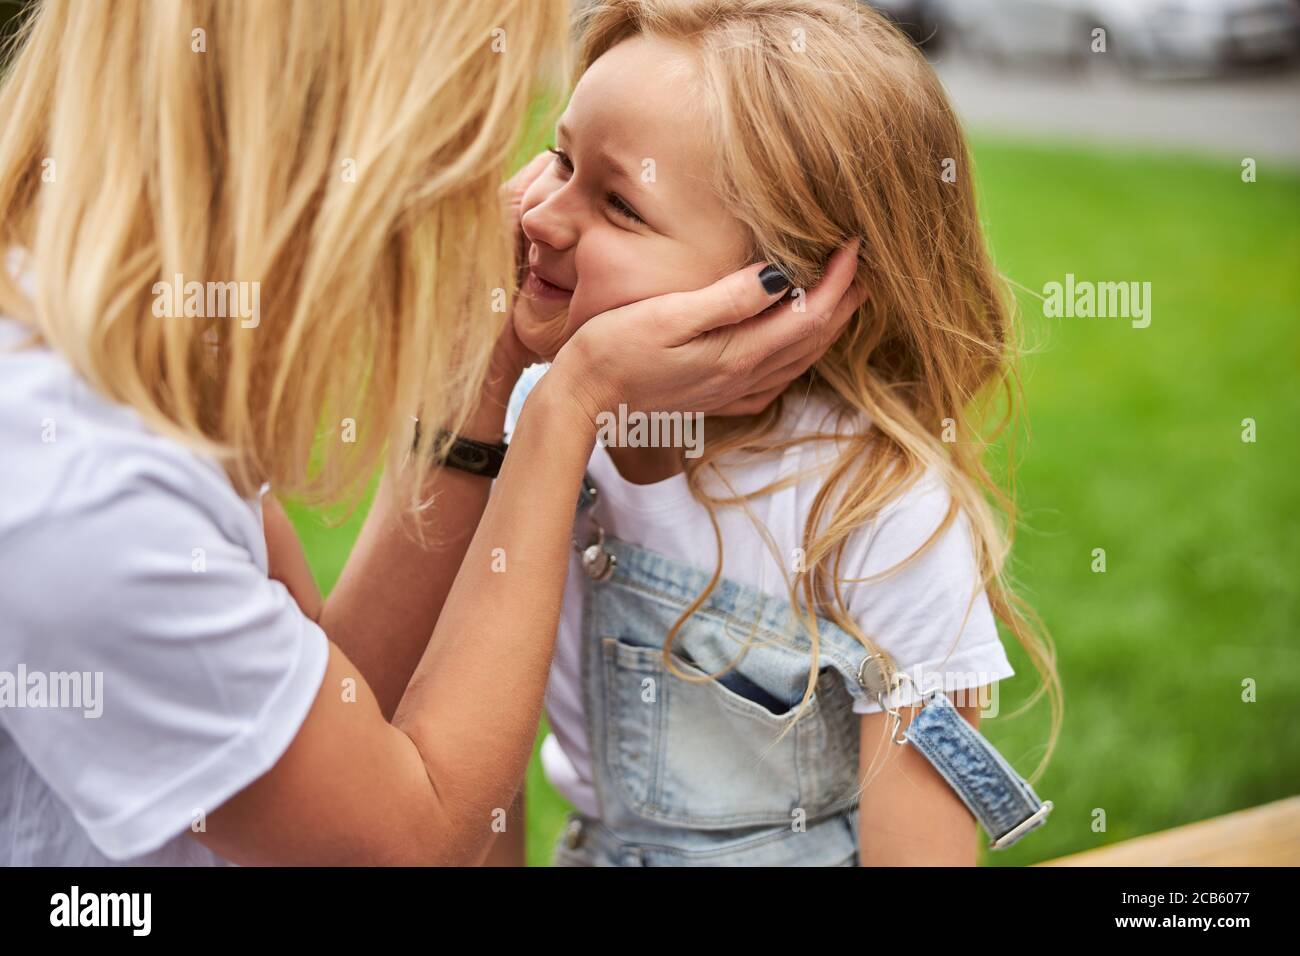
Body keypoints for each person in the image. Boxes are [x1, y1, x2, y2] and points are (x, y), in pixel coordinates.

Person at [0, 0, 862, 866]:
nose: (518, 202)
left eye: (621, 202)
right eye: (473, 126)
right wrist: (568, 406)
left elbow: (322, 718)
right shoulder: (80, 490)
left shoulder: (97, 354)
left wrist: (486, 366)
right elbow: (407, 836)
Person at [481, 0, 1063, 866]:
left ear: (785, 283)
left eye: (621, 205)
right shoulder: (544, 421)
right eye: (560, 160)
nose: (540, 218)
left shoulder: (879, 509)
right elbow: (468, 757)